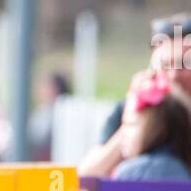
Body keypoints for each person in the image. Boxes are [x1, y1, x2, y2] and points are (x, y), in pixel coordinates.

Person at [80, 13, 191, 178]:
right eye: (165, 65)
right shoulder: (131, 109)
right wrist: (135, 121)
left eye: (184, 64)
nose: (174, 75)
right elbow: (87, 174)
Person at [112, 78, 191, 182]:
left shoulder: (130, 173)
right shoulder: (185, 171)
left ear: (155, 128)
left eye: (130, 124)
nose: (123, 134)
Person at [28, 71, 71, 162]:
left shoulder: (60, 113)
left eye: (46, 87)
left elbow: (40, 140)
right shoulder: (42, 111)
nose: (41, 90)